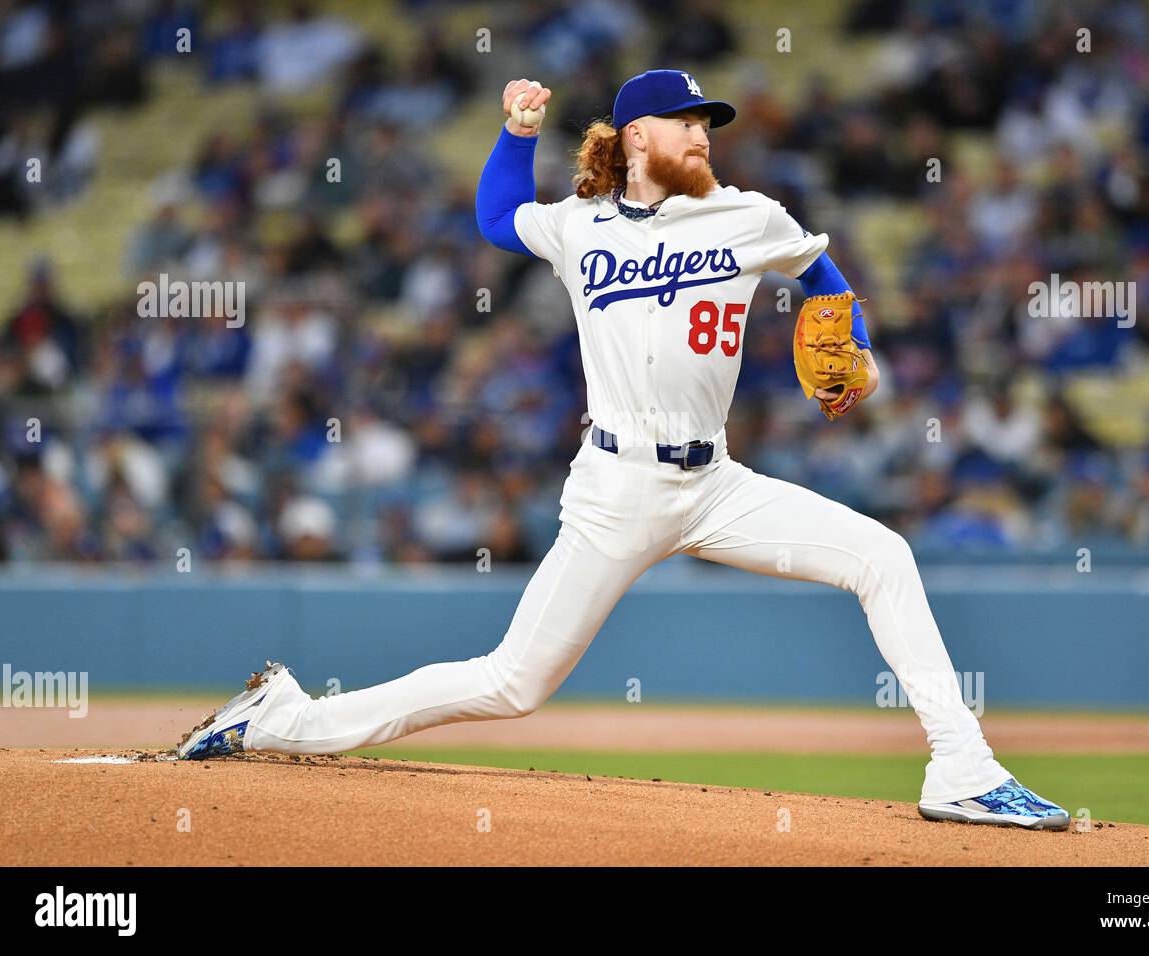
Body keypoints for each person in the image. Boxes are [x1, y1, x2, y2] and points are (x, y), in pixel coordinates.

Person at [178, 70, 1069, 831]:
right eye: (690, 123)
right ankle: (286, 719)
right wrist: (515, 132)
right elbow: (497, 218)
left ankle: (963, 768)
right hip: (613, 487)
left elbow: (823, 279)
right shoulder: (580, 225)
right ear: (639, 136)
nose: (705, 135)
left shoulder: (747, 216)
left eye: (710, 124)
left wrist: (859, 353)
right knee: (513, 684)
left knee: (883, 555)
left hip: (716, 484)